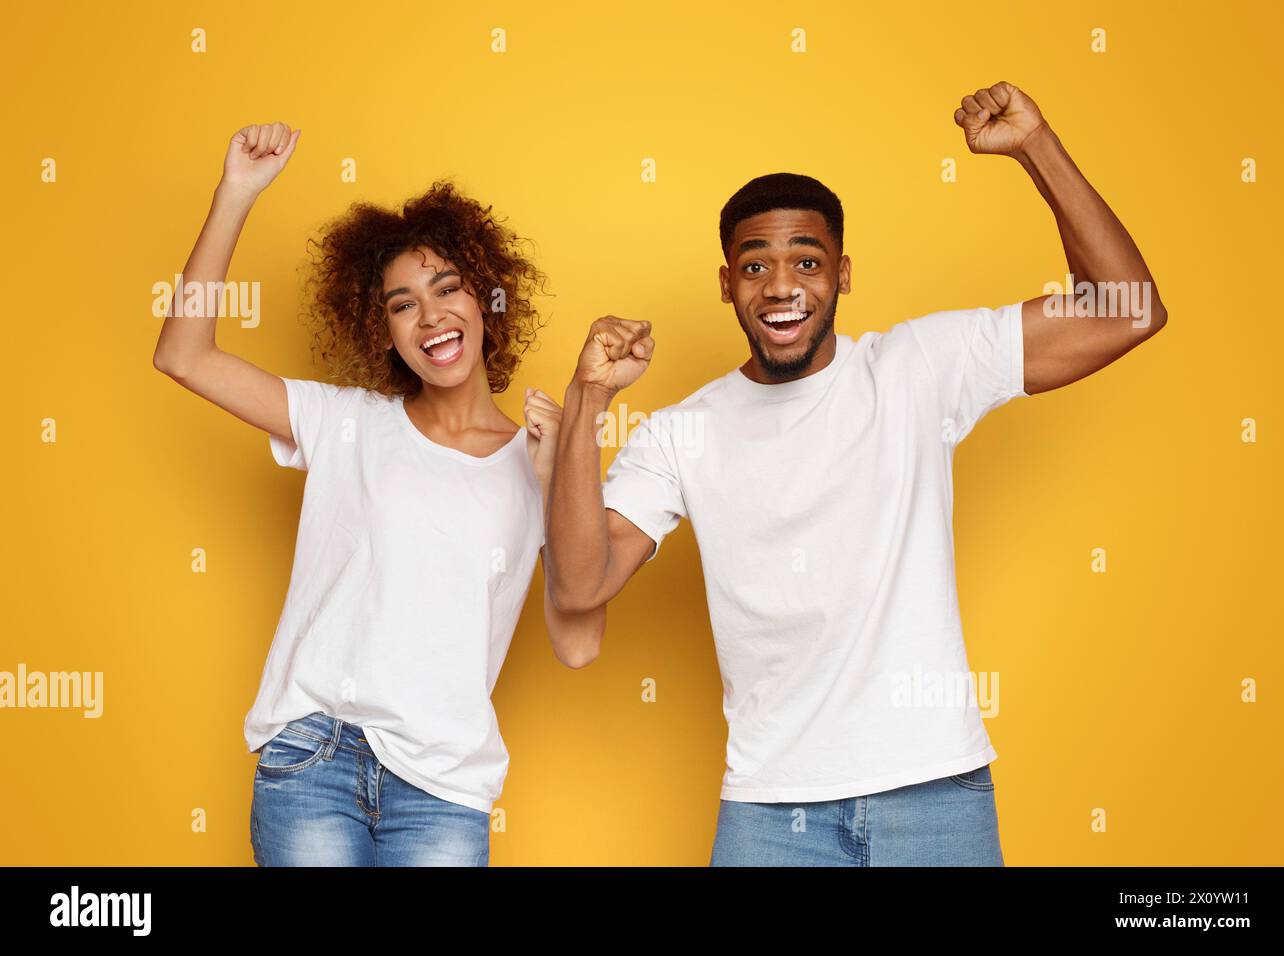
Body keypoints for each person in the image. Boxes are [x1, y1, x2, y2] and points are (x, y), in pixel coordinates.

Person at [544, 82, 1167, 865]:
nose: (780, 286)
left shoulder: (918, 368)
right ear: (727, 284)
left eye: (806, 262)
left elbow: (1129, 310)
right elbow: (577, 586)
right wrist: (588, 397)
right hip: (770, 812)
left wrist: (1036, 148)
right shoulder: (680, 435)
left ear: (842, 275)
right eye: (754, 265)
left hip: (935, 795)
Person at [153, 122, 605, 866]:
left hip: (445, 789)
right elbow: (183, 354)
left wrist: (562, 476)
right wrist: (235, 192)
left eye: (447, 288)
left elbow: (579, 643)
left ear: (487, 301)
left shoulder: (541, 460)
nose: (430, 316)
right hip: (315, 761)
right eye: (401, 304)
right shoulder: (345, 424)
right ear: (382, 330)